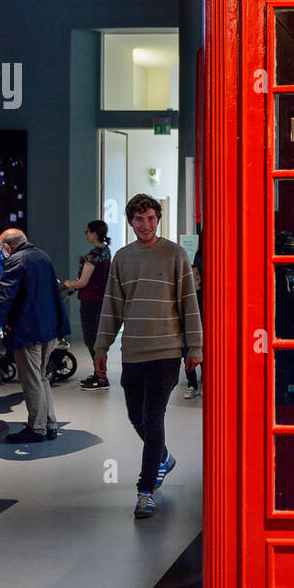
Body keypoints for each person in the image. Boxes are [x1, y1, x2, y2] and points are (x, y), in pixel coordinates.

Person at [93, 194, 202, 519]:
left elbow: (189, 304)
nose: (146, 225)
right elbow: (112, 306)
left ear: (158, 219)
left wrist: (195, 347)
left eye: (151, 218)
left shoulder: (175, 254)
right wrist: (101, 347)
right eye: (140, 220)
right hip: (133, 351)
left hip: (166, 351)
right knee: (135, 417)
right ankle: (163, 459)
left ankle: (144, 490)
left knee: (153, 418)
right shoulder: (123, 258)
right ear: (130, 222)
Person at [0, 228, 71, 444]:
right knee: (41, 377)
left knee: (31, 380)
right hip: (48, 329)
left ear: (7, 246)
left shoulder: (16, 261)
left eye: (1, 249)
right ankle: (49, 424)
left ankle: (37, 429)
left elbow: (4, 296)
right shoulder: (42, 256)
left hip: (28, 330)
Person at [62, 219, 112, 389]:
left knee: (91, 340)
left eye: (87, 231)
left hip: (90, 301)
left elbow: (83, 282)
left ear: (94, 234)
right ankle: (99, 373)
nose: (86, 234)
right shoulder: (106, 252)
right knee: (97, 339)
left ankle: (101, 377)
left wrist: (69, 284)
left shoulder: (92, 256)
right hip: (101, 301)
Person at [183, 230, 203, 399]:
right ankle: (192, 383)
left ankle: (200, 382)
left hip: (207, 308)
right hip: (195, 308)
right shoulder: (198, 256)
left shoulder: (199, 255)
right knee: (188, 348)